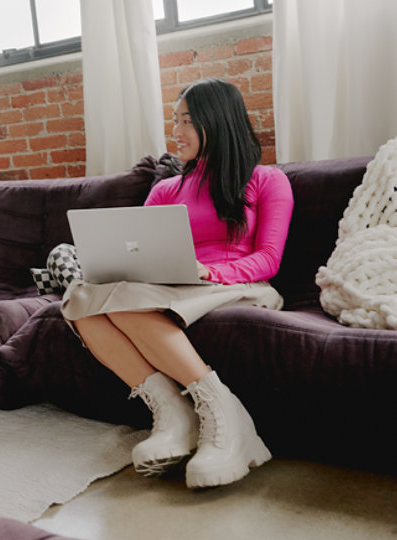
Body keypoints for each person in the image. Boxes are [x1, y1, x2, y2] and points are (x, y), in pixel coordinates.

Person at [60, 78, 294, 488]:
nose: (176, 131)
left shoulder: (266, 180)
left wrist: (211, 272)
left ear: (216, 121)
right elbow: (139, 252)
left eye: (186, 120)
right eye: (175, 120)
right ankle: (173, 413)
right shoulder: (167, 188)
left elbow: (268, 259)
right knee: (80, 298)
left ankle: (227, 416)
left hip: (238, 284)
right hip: (171, 287)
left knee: (125, 299)